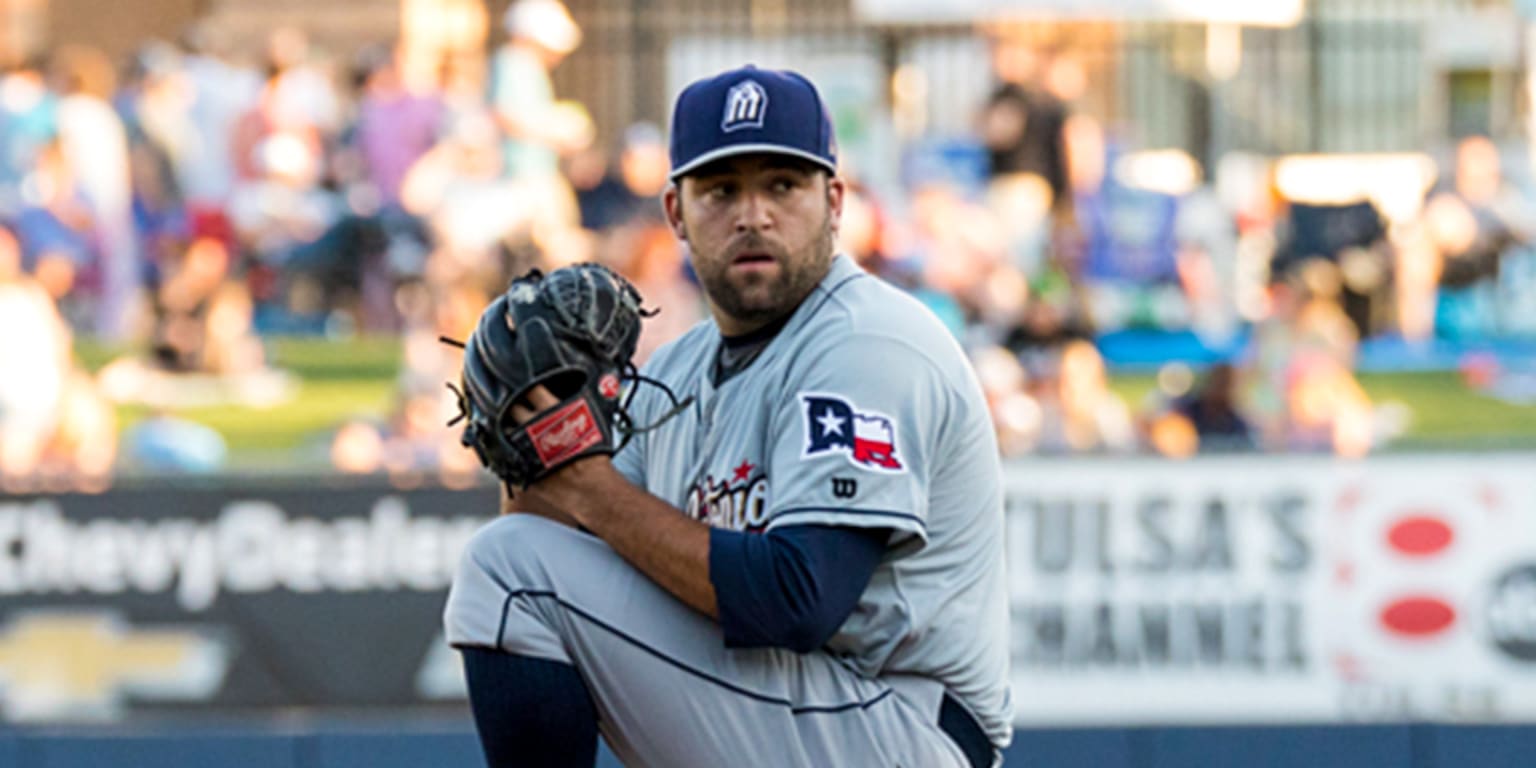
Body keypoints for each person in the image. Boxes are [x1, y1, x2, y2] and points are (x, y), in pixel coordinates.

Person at [444, 66, 1012, 767]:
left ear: (834, 201)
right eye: (721, 190)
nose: (753, 214)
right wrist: (528, 450)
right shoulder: (677, 370)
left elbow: (799, 599)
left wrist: (583, 482)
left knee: (507, 570)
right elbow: (556, 551)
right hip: (791, 712)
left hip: (898, 726)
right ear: (676, 211)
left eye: (782, 184)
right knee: (511, 562)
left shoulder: (866, 342)